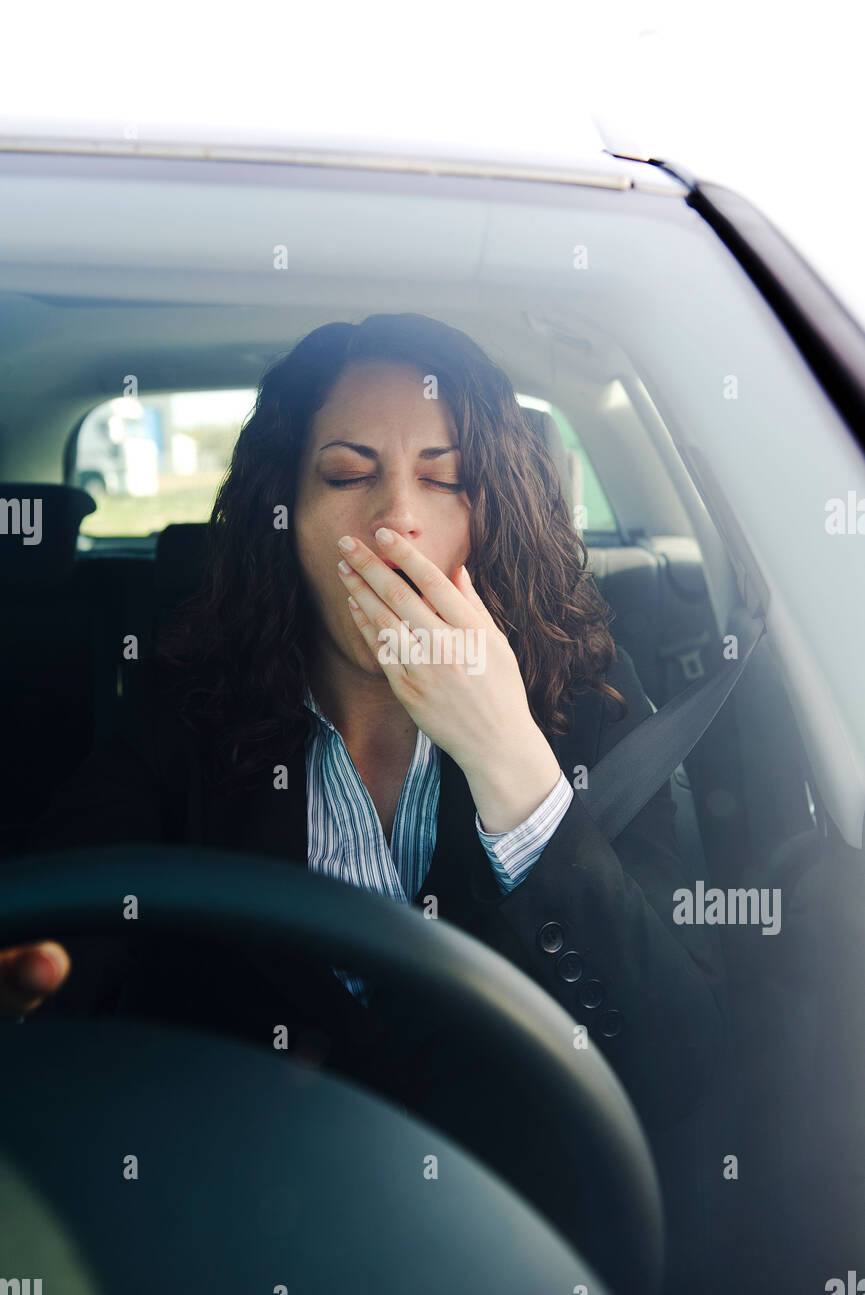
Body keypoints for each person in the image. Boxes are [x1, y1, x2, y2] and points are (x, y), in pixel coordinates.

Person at [0, 312, 728, 1136]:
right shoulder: (191, 704)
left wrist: (510, 763)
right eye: (348, 475)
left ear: (494, 513)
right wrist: (34, 988)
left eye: (445, 477)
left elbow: (683, 1060)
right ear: (286, 514)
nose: (395, 521)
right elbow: (70, 926)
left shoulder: (591, 700)